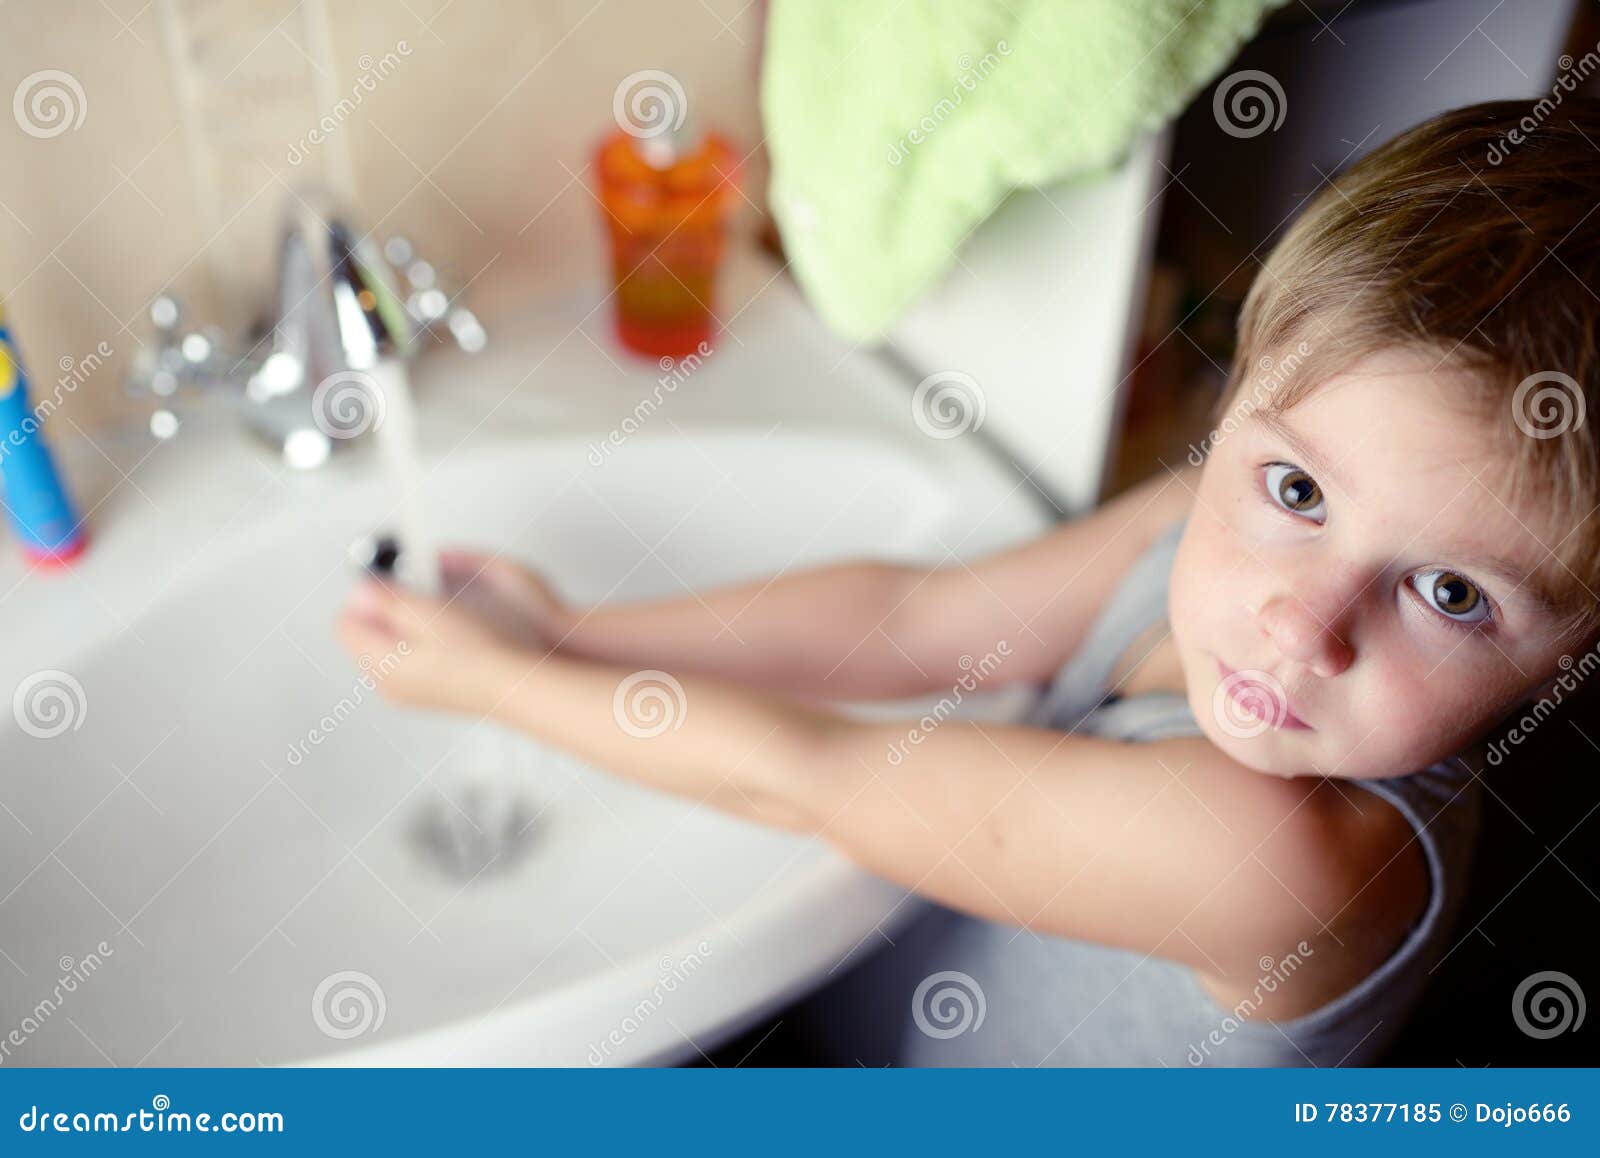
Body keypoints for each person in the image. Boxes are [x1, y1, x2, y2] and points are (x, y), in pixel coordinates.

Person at [337, 100, 1600, 1065]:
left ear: (1570, 653)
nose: (1303, 626)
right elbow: (917, 618)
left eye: (1449, 596)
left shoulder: (1284, 857)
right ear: (1239, 400)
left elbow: (809, 773)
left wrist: (499, 684)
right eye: (1298, 493)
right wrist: (569, 631)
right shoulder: (1206, 508)